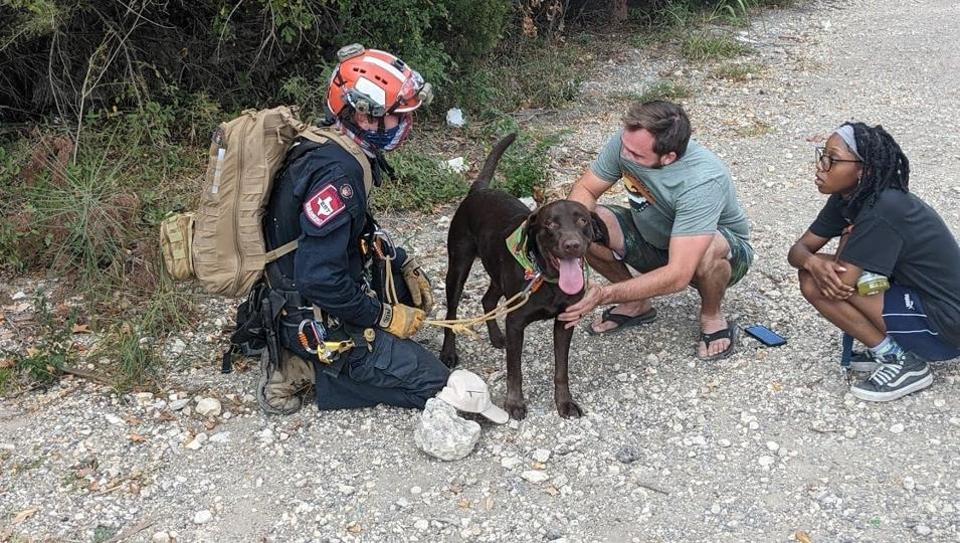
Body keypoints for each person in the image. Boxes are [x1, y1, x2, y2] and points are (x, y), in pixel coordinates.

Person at [257, 44, 450, 415]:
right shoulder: (338, 174)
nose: (406, 125)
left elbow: (348, 231)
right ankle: (309, 368)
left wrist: (401, 262)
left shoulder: (334, 146)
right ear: (364, 117)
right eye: (399, 116)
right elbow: (319, 279)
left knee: (402, 307)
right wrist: (383, 316)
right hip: (311, 315)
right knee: (436, 384)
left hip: (291, 292)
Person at [560, 100, 753, 360]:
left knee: (710, 249)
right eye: (625, 148)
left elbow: (678, 275)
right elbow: (587, 189)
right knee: (588, 224)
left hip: (711, 255)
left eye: (637, 155)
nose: (626, 156)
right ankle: (636, 302)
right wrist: (572, 235)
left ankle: (711, 315)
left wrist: (605, 294)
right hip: (654, 239)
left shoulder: (703, 181)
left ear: (669, 157)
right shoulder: (627, 143)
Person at [787, 122, 960, 402]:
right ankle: (893, 346)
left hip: (947, 319)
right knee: (812, 273)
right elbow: (797, 251)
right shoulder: (848, 196)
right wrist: (813, 261)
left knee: (815, 283)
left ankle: (902, 361)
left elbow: (839, 285)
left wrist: (836, 248)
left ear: (863, 170)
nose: (821, 165)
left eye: (833, 159)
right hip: (920, 297)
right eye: (822, 155)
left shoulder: (884, 207)